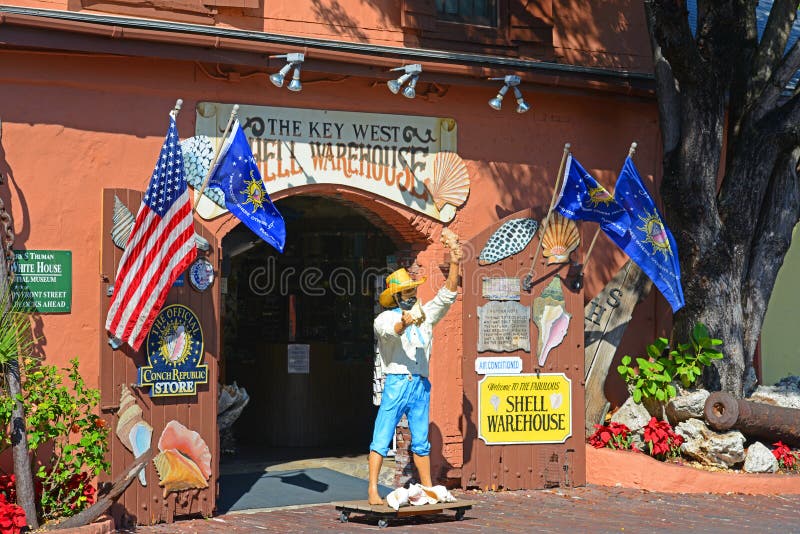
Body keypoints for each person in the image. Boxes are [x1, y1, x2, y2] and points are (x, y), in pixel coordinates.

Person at [367, 234, 462, 505]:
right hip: (397, 381)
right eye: (407, 292)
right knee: (382, 435)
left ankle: (428, 487)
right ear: (396, 296)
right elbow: (393, 331)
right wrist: (406, 321)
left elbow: (447, 294)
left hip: (420, 383)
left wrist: (455, 262)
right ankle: (373, 488)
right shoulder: (384, 318)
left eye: (413, 290)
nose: (412, 294)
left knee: (421, 440)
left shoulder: (425, 314)